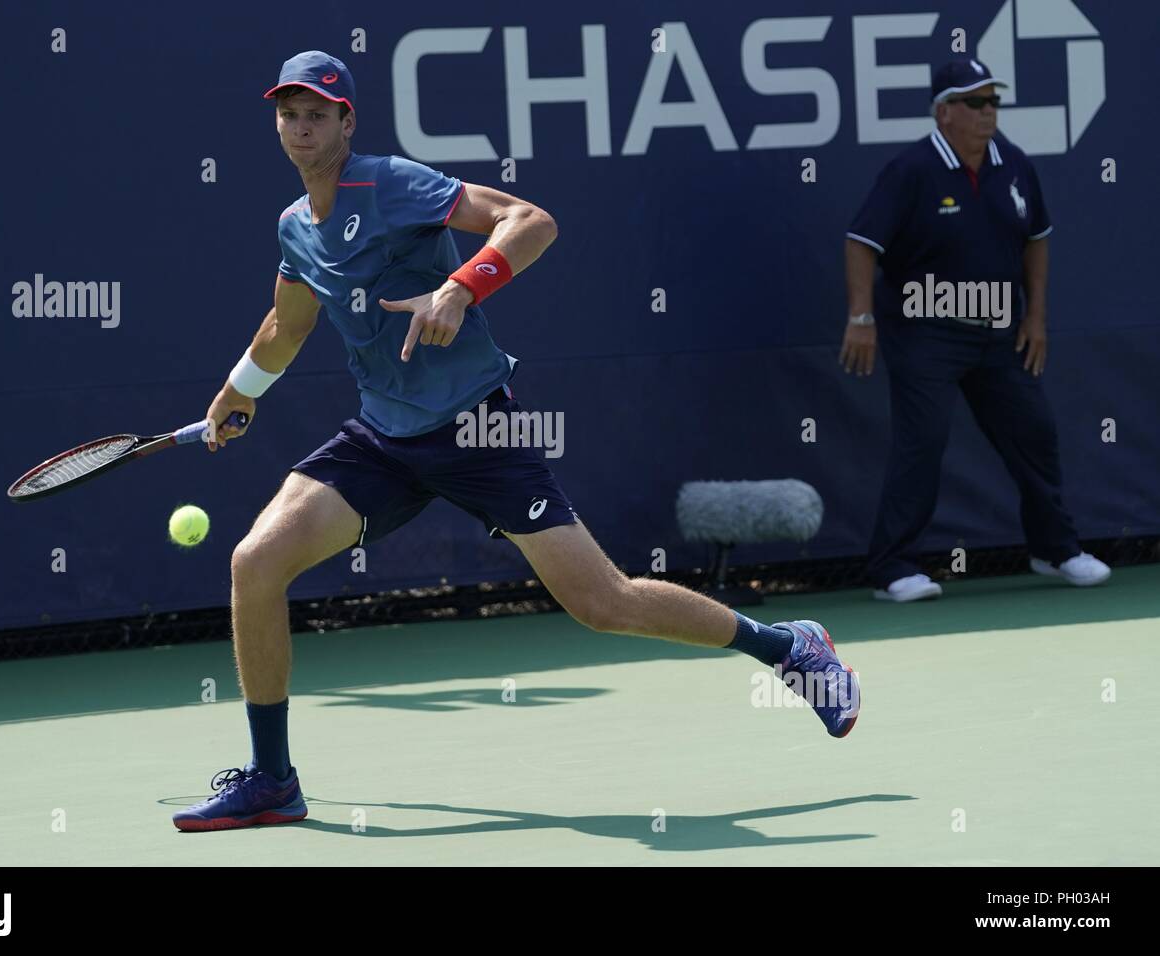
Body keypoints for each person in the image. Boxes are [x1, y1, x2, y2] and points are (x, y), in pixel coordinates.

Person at [172, 52, 859, 832]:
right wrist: (240, 393)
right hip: (383, 438)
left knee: (604, 604)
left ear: (346, 122)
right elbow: (284, 326)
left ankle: (788, 648)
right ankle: (272, 778)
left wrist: (460, 288)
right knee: (255, 564)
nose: (302, 127)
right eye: (289, 113)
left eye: (318, 113)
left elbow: (530, 220)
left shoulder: (390, 182)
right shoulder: (296, 227)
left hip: (476, 426)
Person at [841, 58, 1110, 604]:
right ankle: (893, 568)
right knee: (924, 442)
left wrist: (1035, 316)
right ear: (944, 112)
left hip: (998, 329)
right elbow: (861, 243)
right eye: (976, 103)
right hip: (924, 327)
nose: (989, 113)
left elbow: (1036, 236)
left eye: (994, 102)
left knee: (1034, 433)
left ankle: (1055, 550)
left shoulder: (1014, 164)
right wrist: (861, 317)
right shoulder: (911, 170)